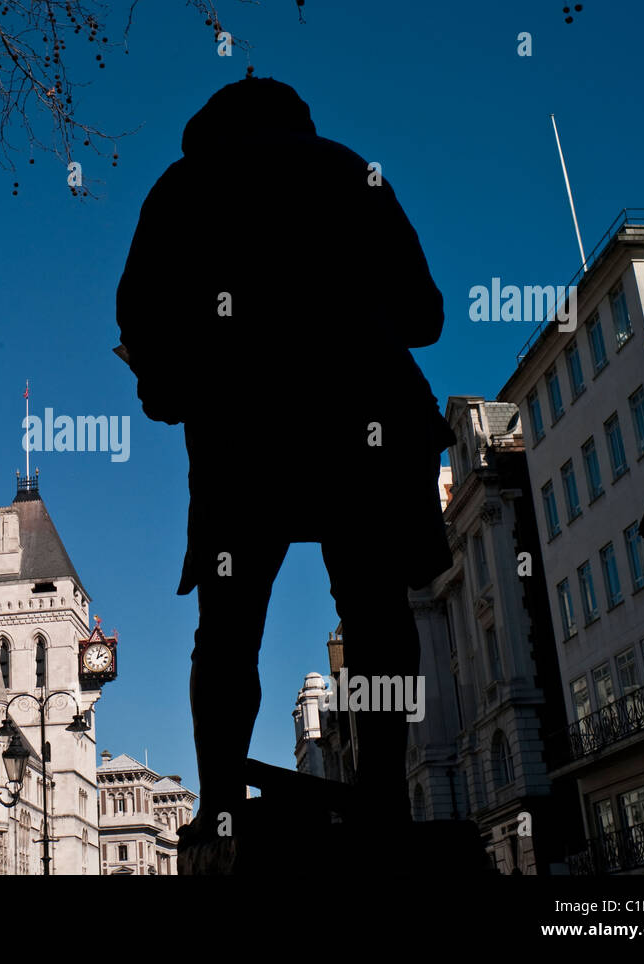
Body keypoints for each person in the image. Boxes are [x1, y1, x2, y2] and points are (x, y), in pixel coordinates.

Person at [116, 76, 455, 840]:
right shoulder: (351, 169)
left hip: (243, 431)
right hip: (363, 421)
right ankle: (385, 800)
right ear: (298, 117)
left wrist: (173, 382)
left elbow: (139, 318)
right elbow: (426, 315)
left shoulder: (182, 185)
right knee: (375, 613)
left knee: (229, 627)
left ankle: (224, 806)